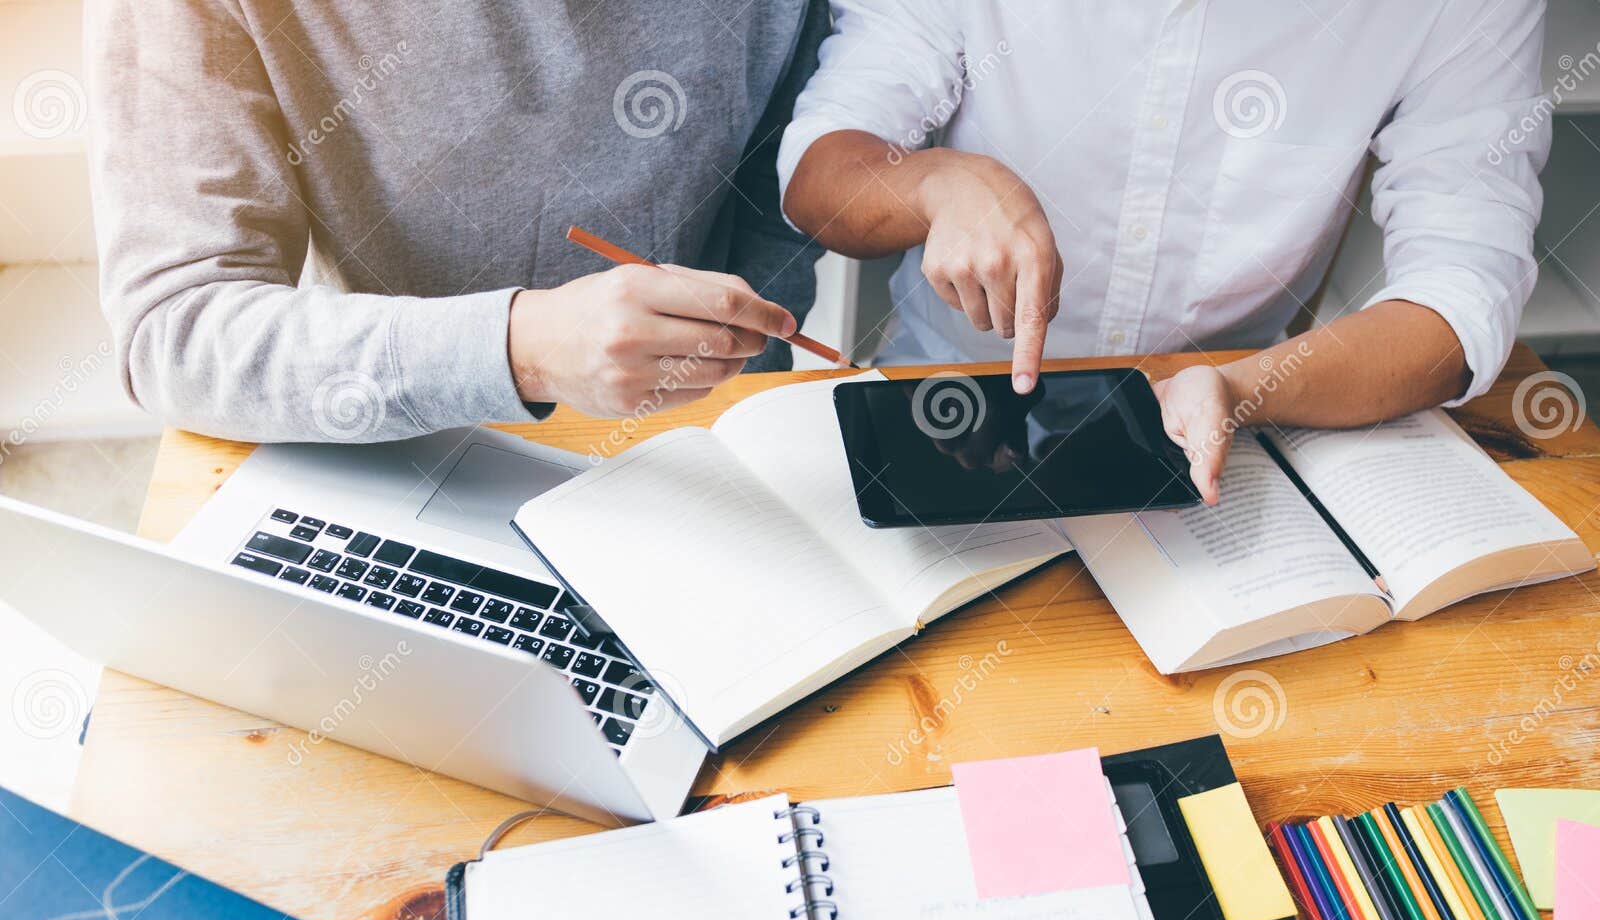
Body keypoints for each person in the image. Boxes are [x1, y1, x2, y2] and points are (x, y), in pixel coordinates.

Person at [779, 1, 1549, 503]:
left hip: (1231, 449)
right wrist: (933, 183)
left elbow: (1462, 292)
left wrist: (1240, 385)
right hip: (951, 419)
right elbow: (819, 169)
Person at [86, 1, 827, 442]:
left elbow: (781, 210)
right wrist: (521, 349)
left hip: (696, 446)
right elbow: (172, 331)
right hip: (380, 440)